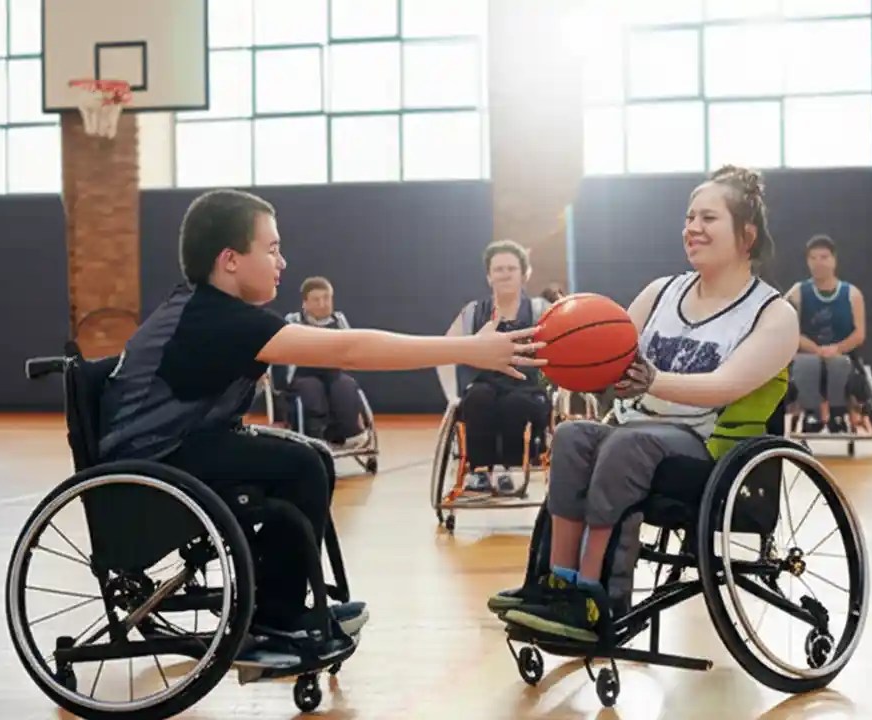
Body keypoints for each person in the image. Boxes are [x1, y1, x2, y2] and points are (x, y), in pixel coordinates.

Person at [96, 189, 543, 663]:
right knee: (299, 465)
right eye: (271, 249)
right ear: (229, 260)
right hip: (150, 462)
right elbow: (351, 350)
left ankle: (279, 604)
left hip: (176, 446)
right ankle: (274, 620)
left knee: (310, 457)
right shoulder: (216, 319)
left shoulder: (210, 310)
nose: (282, 261)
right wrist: (467, 349)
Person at [490, 165, 800, 643]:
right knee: (573, 436)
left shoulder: (773, 314)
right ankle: (555, 585)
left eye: (709, 218)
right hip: (635, 430)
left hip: (704, 445)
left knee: (625, 445)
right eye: (689, 216)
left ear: (747, 234)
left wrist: (655, 380)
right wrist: (556, 349)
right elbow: (607, 356)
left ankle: (594, 597)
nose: (692, 227)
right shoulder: (660, 292)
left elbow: (725, 385)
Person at [436, 240, 552, 494]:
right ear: (489, 277)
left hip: (527, 386)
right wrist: (452, 397)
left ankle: (508, 470)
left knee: (516, 403)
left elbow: (561, 351)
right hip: (485, 383)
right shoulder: (474, 312)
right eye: (498, 269)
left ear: (524, 274)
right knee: (477, 397)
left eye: (511, 268)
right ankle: (478, 472)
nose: (505, 274)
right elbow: (443, 351)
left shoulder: (540, 310)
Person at [783, 234, 868, 433]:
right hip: (808, 353)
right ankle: (812, 413)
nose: (818, 263)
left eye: (823, 257)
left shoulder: (852, 294)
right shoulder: (797, 291)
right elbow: (787, 326)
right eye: (813, 258)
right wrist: (815, 349)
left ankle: (837, 413)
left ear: (834, 260)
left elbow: (859, 334)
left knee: (839, 363)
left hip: (842, 355)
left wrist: (837, 348)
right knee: (806, 363)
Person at [282, 276, 371, 450]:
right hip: (303, 373)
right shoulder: (293, 320)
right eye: (316, 299)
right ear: (305, 303)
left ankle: (350, 433)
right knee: (311, 388)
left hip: (333, 371)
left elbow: (350, 348)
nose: (323, 304)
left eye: (326, 298)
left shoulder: (338, 320)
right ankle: (317, 435)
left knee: (345, 386)